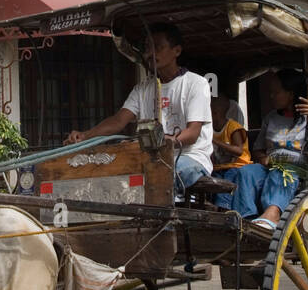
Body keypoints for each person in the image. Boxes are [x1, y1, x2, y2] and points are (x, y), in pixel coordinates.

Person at [65, 23, 213, 199]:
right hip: (152, 159)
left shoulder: (196, 83)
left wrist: (166, 140)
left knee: (161, 175)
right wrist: (85, 135)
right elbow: (118, 121)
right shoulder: (142, 89)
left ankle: (162, 225)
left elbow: (193, 133)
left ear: (177, 51)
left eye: (158, 47)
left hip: (191, 157)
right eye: (148, 48)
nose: (151, 53)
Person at [213, 68, 308, 231]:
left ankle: (272, 214)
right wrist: (263, 159)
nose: (271, 96)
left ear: (290, 93)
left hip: (298, 170)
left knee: (281, 171)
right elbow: (259, 149)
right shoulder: (271, 118)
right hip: (269, 166)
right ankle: (247, 218)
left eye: (276, 92)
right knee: (245, 172)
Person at [211, 91, 252, 172]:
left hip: (238, 165)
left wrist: (216, 141)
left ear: (215, 113)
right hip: (222, 167)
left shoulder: (232, 126)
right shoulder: (210, 129)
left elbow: (239, 151)